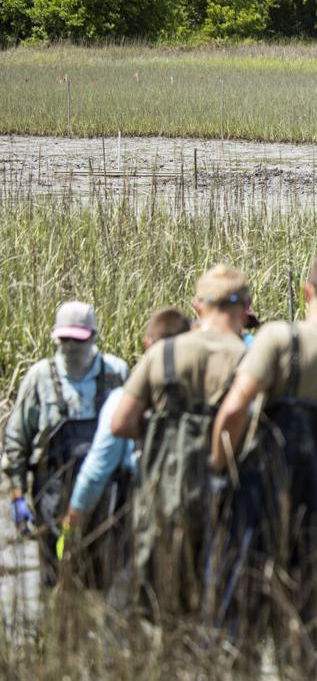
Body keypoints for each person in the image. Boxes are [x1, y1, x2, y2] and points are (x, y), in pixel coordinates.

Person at [210, 250, 317, 656]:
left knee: (237, 639)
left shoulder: (277, 339)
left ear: (307, 292)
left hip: (257, 506)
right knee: (312, 644)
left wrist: (217, 474)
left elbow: (233, 410)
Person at [110, 265, 251, 624]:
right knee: (215, 615)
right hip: (223, 509)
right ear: (245, 308)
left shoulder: (163, 354)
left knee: (155, 611)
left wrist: (163, 434)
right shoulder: (248, 360)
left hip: (160, 502)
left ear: (198, 307)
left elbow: (120, 423)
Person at [57, 308, 191, 588]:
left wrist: (71, 524)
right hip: (196, 520)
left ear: (146, 344)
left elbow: (96, 472)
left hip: (139, 521)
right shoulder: (208, 394)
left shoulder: (124, 401)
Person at [3, 301, 128, 588]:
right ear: (55, 338)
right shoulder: (40, 377)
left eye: (78, 339)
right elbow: (16, 440)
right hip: (51, 492)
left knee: (102, 578)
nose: (71, 346)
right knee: (54, 576)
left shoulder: (115, 374)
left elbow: (134, 440)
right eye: (65, 339)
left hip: (105, 494)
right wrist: (17, 495)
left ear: (94, 336)